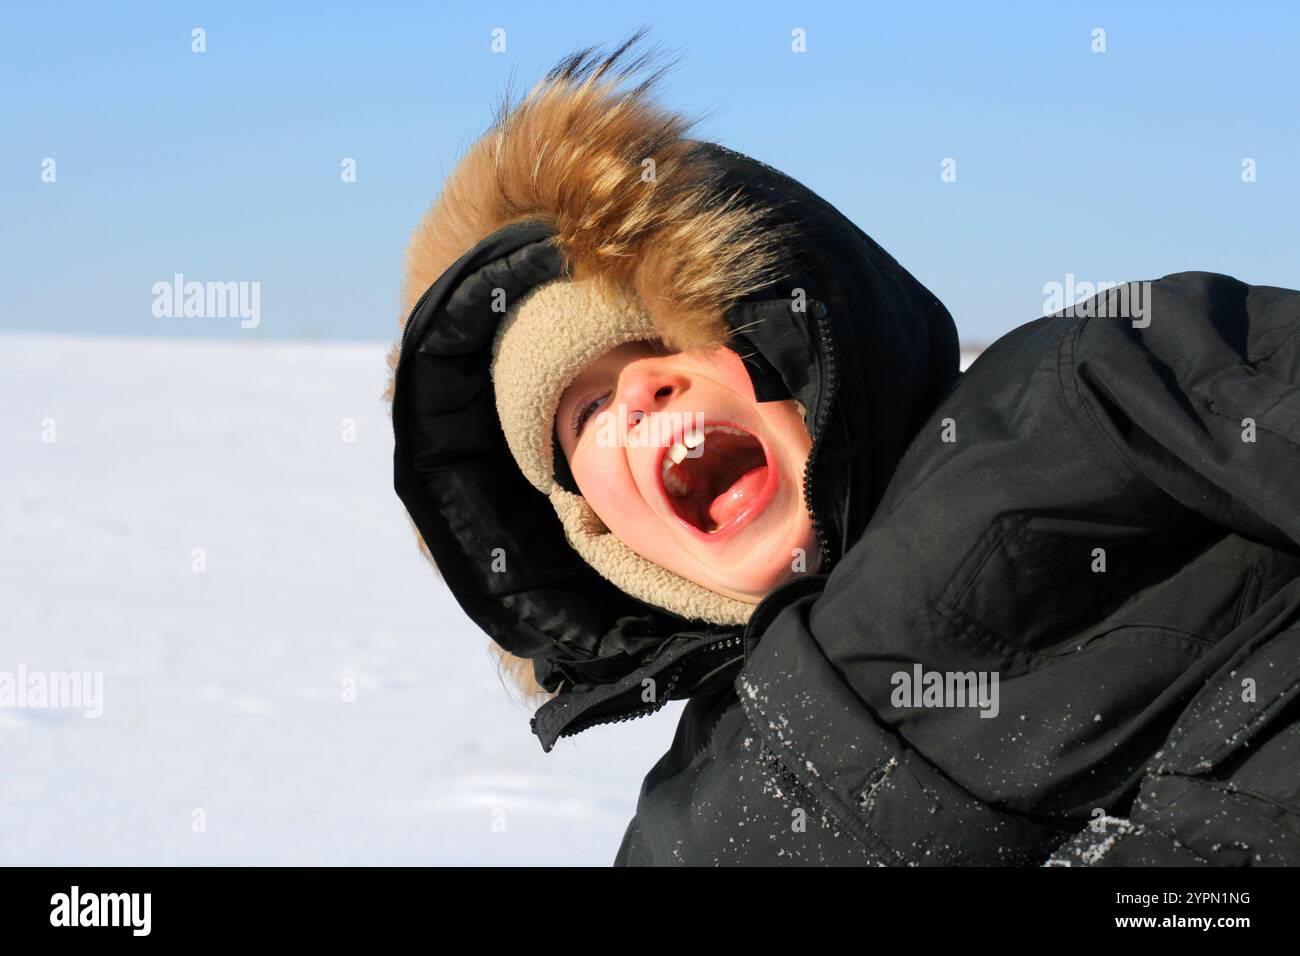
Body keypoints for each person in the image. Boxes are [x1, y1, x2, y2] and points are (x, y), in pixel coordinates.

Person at [388, 34, 1300, 865]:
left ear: (777, 328)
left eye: (663, 339)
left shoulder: (1079, 395)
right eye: (583, 414)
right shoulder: (684, 828)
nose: (637, 392)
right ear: (594, 533)